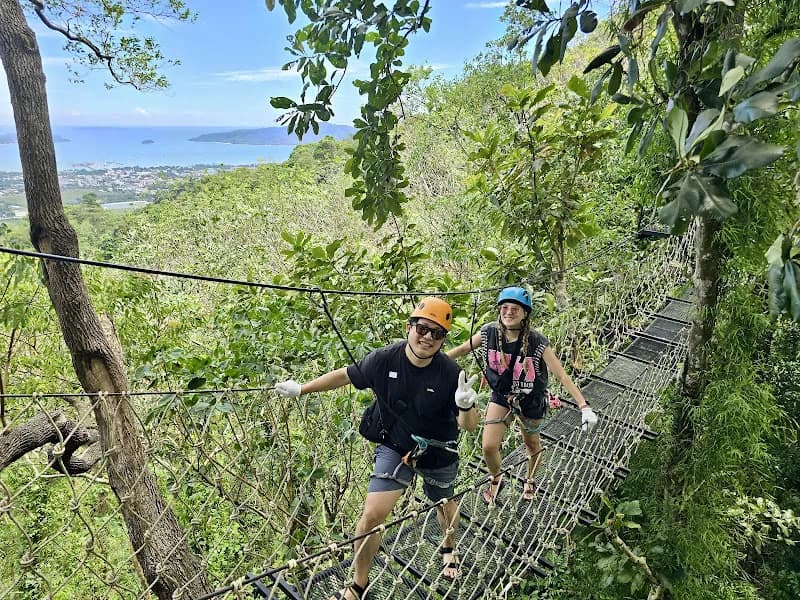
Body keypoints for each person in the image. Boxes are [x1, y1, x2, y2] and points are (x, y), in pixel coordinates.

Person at [274, 297, 479, 600]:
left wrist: (467, 404)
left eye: (437, 334)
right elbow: (345, 375)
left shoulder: (450, 373)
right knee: (371, 516)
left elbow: (469, 426)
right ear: (409, 327)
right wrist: (303, 388)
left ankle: (449, 546)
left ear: (443, 340)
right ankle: (358, 584)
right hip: (396, 447)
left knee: (444, 503)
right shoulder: (384, 359)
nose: (428, 337)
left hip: (438, 451)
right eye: (423, 328)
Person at [446, 286, 597, 505]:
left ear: (525, 313)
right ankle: (497, 478)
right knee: (488, 446)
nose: (508, 312)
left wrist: (584, 407)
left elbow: (561, 375)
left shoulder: (537, 342)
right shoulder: (488, 333)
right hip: (502, 395)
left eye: (515, 309)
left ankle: (530, 478)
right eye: (504, 307)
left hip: (531, 399)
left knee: (531, 443)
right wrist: (431, 361)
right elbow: (461, 349)